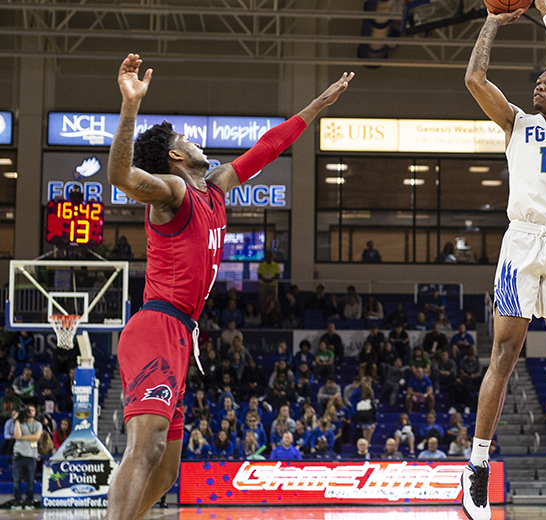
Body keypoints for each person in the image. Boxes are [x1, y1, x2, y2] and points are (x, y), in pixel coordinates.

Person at [103, 53, 354, 520]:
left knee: (167, 470)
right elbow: (119, 177)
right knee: (148, 443)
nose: (196, 142)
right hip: (157, 324)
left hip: (183, 333)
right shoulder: (172, 192)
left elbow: (266, 147)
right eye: (187, 139)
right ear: (177, 157)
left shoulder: (213, 186)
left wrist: (316, 105)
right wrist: (130, 106)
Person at [460, 2, 546, 518]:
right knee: (505, 353)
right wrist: (493, 22)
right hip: (521, 242)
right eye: (538, 80)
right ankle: (477, 466)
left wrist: (545, 13)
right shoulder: (515, 121)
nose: (540, 85)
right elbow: (474, 77)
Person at [10, 404, 41, 510]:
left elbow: (36, 436)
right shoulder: (20, 424)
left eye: (33, 410)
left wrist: (22, 437)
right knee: (16, 481)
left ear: (35, 412)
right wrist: (17, 420)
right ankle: (17, 502)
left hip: (31, 456)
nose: (31, 412)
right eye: (29, 410)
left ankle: (29, 502)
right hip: (18, 456)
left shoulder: (37, 424)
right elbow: (17, 436)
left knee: (30, 482)